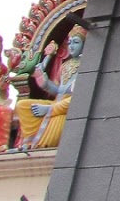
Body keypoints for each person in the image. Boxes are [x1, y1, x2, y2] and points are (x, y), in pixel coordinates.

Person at [15, 24, 87, 152]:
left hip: (67, 108)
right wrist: (44, 82)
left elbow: (79, 95)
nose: (71, 46)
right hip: (57, 102)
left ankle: (39, 142)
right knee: (22, 106)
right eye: (69, 42)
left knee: (72, 102)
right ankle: (30, 141)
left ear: (85, 44)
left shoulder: (87, 64)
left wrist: (49, 109)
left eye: (76, 42)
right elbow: (58, 90)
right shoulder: (65, 65)